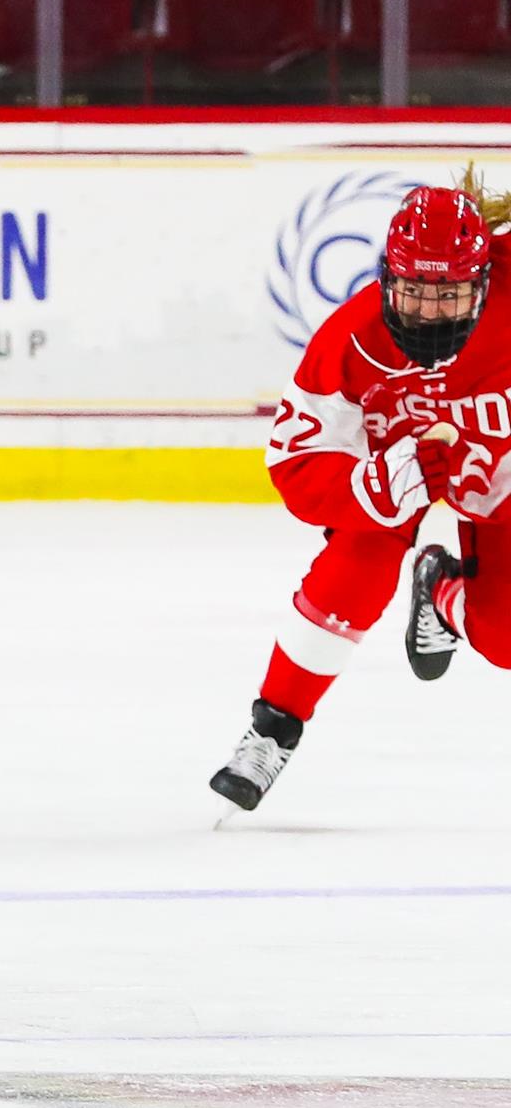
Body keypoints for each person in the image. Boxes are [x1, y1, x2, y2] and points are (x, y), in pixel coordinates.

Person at [210, 179, 511, 813]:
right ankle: (271, 732)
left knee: (504, 639)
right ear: (384, 277)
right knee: (359, 566)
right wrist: (372, 488)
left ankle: (443, 595)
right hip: (403, 477)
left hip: (500, 481)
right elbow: (295, 465)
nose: (430, 314)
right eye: (415, 293)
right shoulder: (349, 341)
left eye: (450, 294)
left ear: (484, 280)